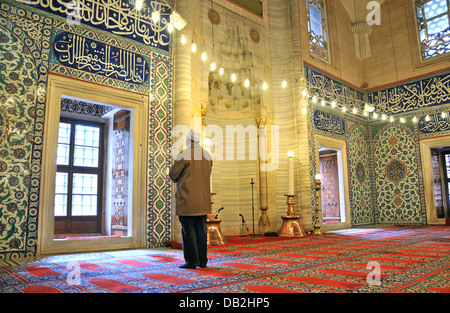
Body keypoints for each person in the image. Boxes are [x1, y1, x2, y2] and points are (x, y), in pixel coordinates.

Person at [169, 129, 212, 269]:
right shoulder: (207, 155)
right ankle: (202, 261)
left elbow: (173, 175)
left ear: (188, 139)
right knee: (201, 231)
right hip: (203, 200)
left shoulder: (184, 155)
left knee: (188, 232)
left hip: (187, 200)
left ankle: (191, 261)